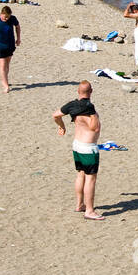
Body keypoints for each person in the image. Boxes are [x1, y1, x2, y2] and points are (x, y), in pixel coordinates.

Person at [52, 81, 104, 220]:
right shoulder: (90, 108)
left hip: (77, 145)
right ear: (91, 91)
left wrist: (62, 126)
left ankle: (79, 204)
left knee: (80, 174)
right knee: (90, 179)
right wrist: (95, 116)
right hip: (88, 148)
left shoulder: (72, 105)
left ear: (78, 91)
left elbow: (56, 115)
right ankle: (90, 210)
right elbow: (95, 128)